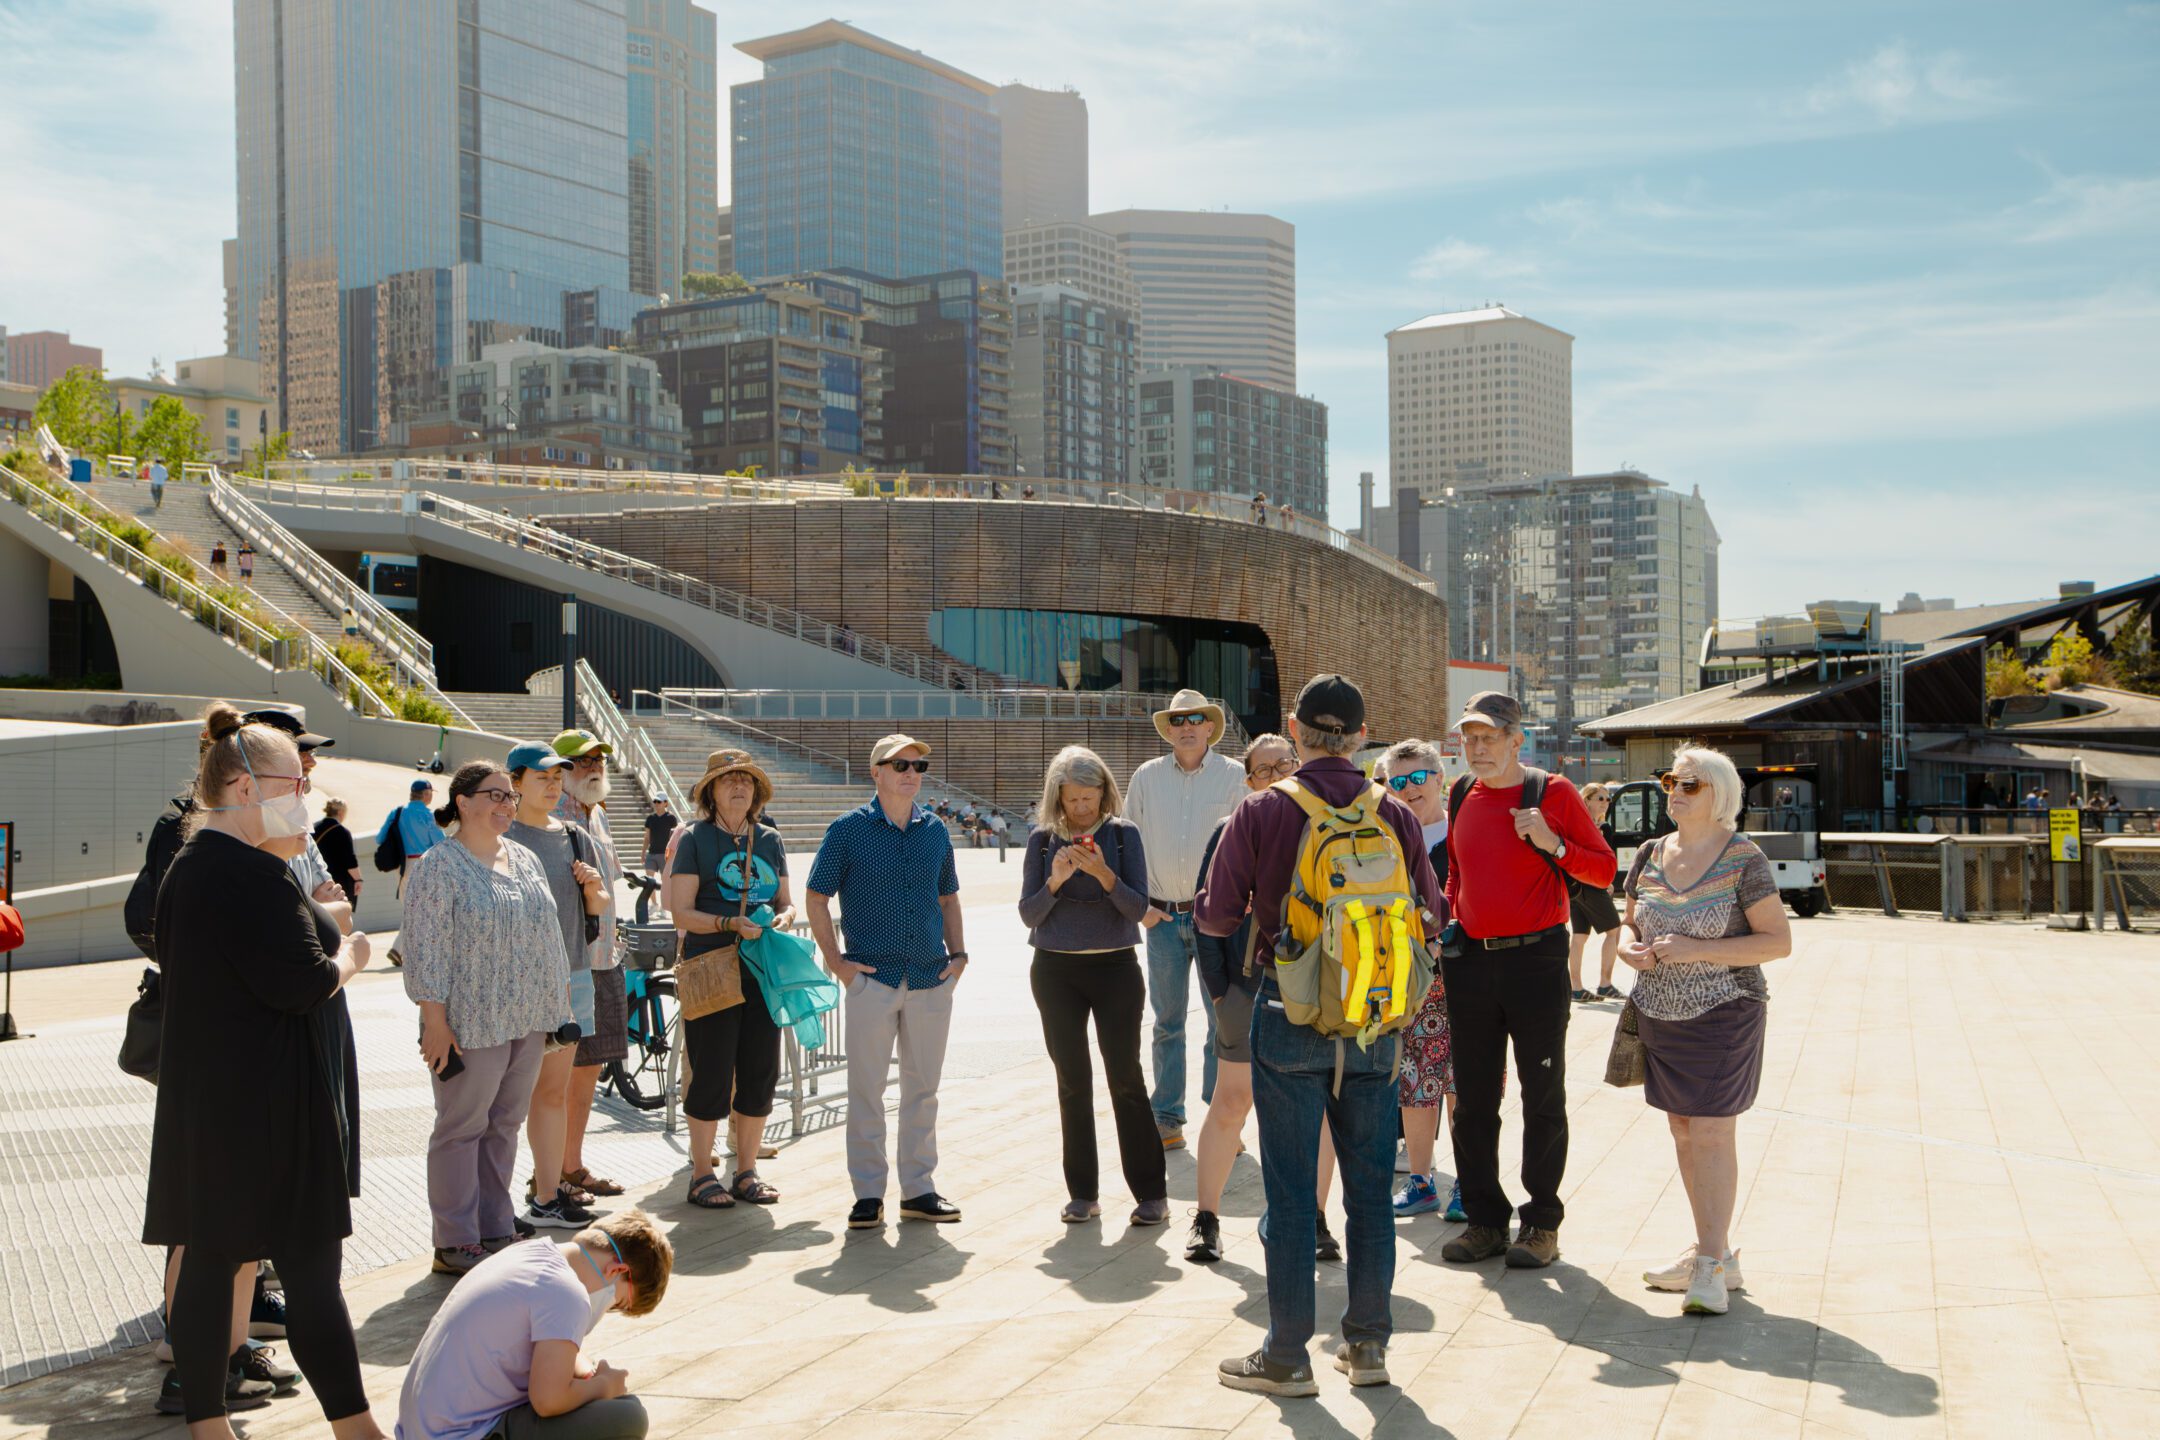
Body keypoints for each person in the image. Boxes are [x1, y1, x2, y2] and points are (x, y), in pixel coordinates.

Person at [1197, 677, 1445, 1396]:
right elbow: (1432, 915)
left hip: (1290, 1011)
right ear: (1362, 736)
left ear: (1294, 728)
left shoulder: (1262, 809)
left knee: (1290, 1191)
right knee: (1368, 1191)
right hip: (1374, 1017)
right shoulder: (1392, 811)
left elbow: (1214, 916)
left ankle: (1286, 1356)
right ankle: (1366, 1347)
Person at [142, 703, 384, 1438]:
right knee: (310, 1276)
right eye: (294, 783)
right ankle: (356, 1429)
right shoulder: (249, 873)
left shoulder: (195, 866)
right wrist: (351, 953)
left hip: (215, 1103)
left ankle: (210, 1426)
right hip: (273, 1105)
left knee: (211, 1265)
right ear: (244, 787)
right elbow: (303, 983)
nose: (304, 795)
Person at [1438, 691, 1616, 1272]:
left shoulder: (1553, 792)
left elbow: (1604, 869)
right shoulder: (1461, 792)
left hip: (1536, 960)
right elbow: (1456, 873)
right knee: (1472, 1101)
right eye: (1470, 737)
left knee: (1541, 1096)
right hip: (1469, 962)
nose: (1477, 747)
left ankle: (1541, 1223)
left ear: (1517, 740)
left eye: (1489, 737)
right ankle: (1486, 1221)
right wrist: (1445, 919)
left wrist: (1553, 843)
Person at [1623, 746, 1792, 1316]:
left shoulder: (1743, 857)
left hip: (1725, 1012)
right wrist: (1630, 951)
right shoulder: (1650, 852)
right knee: (1683, 1131)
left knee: (1713, 1133)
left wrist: (1698, 949)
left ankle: (1711, 1267)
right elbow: (1628, 926)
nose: (1675, 790)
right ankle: (1713, 1252)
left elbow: (1777, 942)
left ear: (1719, 793)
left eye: (1689, 784)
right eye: (1670, 780)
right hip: (1660, 1011)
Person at [401, 762, 574, 1275]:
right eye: (494, 795)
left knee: (505, 1125)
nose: (505, 804)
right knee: (461, 1128)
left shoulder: (523, 857)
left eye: (509, 797)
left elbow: (549, 936)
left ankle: (495, 1225)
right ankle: (455, 1240)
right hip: (467, 1022)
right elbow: (425, 949)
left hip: (527, 1017)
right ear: (462, 802)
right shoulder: (438, 865)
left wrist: (557, 1007)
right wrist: (434, 1021)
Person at [805, 734, 967, 1230]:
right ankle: (868, 1194)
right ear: (875, 771)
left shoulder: (935, 830)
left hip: (929, 977)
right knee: (866, 1091)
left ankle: (918, 1190)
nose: (911, 773)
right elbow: (816, 896)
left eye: (918, 765)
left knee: (924, 1090)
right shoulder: (847, 830)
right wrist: (838, 964)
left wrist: (959, 957)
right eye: (900, 765)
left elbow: (948, 897)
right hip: (871, 980)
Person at [1018, 746, 1168, 1226]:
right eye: (1072, 799)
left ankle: (1151, 1193)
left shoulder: (1124, 835)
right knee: (1071, 1082)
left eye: (1089, 797)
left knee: (1126, 1078)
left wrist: (1103, 874)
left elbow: (1138, 908)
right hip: (1055, 971)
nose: (1081, 808)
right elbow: (1029, 915)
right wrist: (1056, 880)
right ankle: (1082, 1193)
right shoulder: (1042, 840)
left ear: (1105, 792)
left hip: (1116, 968)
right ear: (1057, 797)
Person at [1186, 731, 1312, 1265]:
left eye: (1285, 764)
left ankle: (1315, 1221)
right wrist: (1219, 992)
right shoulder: (1232, 827)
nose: (1277, 775)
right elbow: (1205, 916)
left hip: (1315, 989)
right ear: (1248, 780)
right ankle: (1206, 1218)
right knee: (1232, 1102)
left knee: (1313, 1111)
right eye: (1264, 769)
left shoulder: (1323, 822)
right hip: (1246, 987)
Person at [396, 1211, 673, 1440]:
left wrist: (587, 1373)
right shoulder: (568, 1293)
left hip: (421, 1430)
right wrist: (603, 1386)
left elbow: (547, 1344)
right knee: (628, 1416)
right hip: (462, 1434)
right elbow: (548, 1400)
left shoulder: (528, 1254)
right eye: (617, 1303)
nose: (607, 1309)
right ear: (617, 1271)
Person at [669, 750, 792, 1210]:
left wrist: (785, 918)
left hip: (762, 969)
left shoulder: (770, 839)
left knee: (761, 1072)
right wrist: (726, 924)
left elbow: (785, 901)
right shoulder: (695, 838)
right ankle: (703, 1173)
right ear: (711, 792)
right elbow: (681, 912)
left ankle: (746, 1171)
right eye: (728, 780)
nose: (739, 786)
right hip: (712, 969)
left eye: (746, 779)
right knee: (711, 1072)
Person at [1125, 688, 1247, 1151]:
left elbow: (1247, 846)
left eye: (1196, 719)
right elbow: (1127, 841)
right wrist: (1140, 907)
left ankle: (1223, 1120)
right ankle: (1166, 1117)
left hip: (1216, 922)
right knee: (1166, 1024)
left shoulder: (1234, 776)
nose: (1187, 727)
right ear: (1168, 729)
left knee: (1222, 1023)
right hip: (1161, 918)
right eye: (1178, 720)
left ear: (1211, 726)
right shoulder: (1146, 777)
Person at [505, 742, 609, 1231]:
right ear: (515, 782)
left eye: (555, 778)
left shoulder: (573, 835)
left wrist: (593, 889)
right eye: (541, 777)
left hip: (572, 975)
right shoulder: (500, 834)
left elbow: (597, 906)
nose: (551, 785)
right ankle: (492, 1206)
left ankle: (547, 1195)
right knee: (507, 1099)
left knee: (553, 1093)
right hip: (516, 981)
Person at [1372, 739, 1466, 1225]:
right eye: (1397, 781)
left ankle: (1469, 1182)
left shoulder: (1463, 831)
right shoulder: (1382, 836)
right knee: (1414, 1082)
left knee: (1464, 1083)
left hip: (1466, 976)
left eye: (1417, 778)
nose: (1409, 789)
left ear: (1439, 778)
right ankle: (1422, 1181)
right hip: (1409, 982)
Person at [551, 730, 627, 1208]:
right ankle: (549, 1176)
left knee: (588, 1071)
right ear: (558, 770)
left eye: (599, 759)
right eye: (581, 761)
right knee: (557, 1078)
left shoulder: (596, 811)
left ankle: (571, 1166)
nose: (594, 766)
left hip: (604, 958)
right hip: (569, 964)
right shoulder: (551, 815)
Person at [1570, 782, 1625, 1003]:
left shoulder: (1601, 827)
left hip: (1581, 885)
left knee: (1580, 936)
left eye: (1608, 799)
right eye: (1600, 798)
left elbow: (1605, 858)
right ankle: (1605, 984)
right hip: (1587, 885)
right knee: (1614, 930)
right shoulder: (1582, 826)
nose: (1605, 803)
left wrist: (1608, 880)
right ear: (1587, 800)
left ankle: (1576, 988)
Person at [382, 779, 447, 965]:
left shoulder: (397, 812)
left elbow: (380, 838)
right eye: (430, 793)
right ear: (426, 794)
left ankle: (407, 951)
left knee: (411, 909)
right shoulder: (428, 815)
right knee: (421, 910)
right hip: (423, 865)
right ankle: (399, 949)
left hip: (402, 866)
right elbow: (440, 842)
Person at [313, 798, 363, 908]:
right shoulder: (342, 832)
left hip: (317, 882)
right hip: (339, 885)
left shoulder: (313, 828)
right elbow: (350, 861)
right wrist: (358, 880)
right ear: (340, 812)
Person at [642, 796, 678, 913]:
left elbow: (675, 836)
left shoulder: (671, 818)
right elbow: (647, 837)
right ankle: (654, 904)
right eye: (655, 801)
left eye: (659, 801)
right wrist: (643, 853)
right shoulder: (650, 818)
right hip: (652, 853)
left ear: (665, 803)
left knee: (665, 881)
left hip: (666, 854)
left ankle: (664, 906)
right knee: (649, 880)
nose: (656, 804)